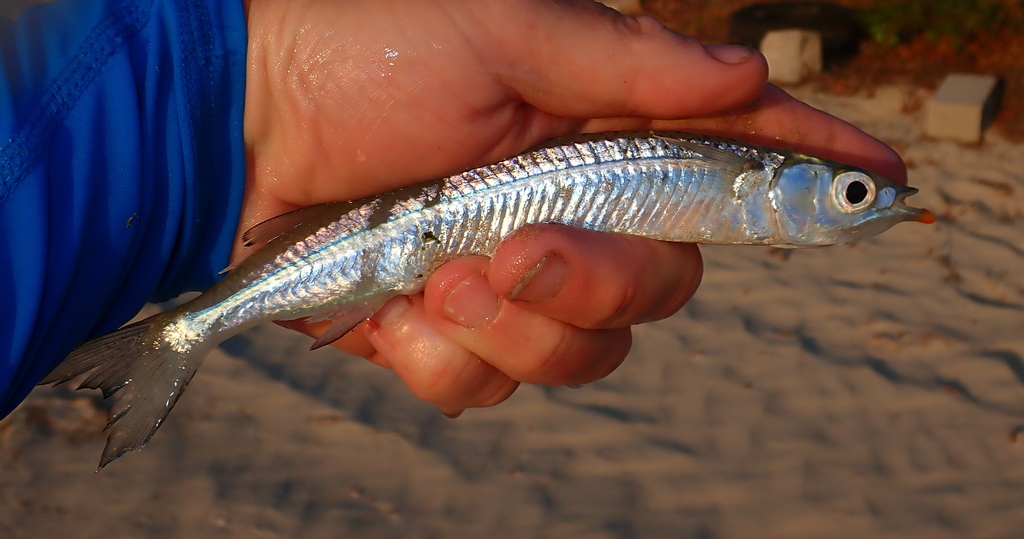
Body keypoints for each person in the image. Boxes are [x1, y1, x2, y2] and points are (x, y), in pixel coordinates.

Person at [0, 0, 906, 420]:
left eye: (856, 194)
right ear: (767, 185)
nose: (858, 202)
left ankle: (182, 330)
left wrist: (229, 119)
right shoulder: (734, 170)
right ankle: (181, 334)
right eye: (850, 194)